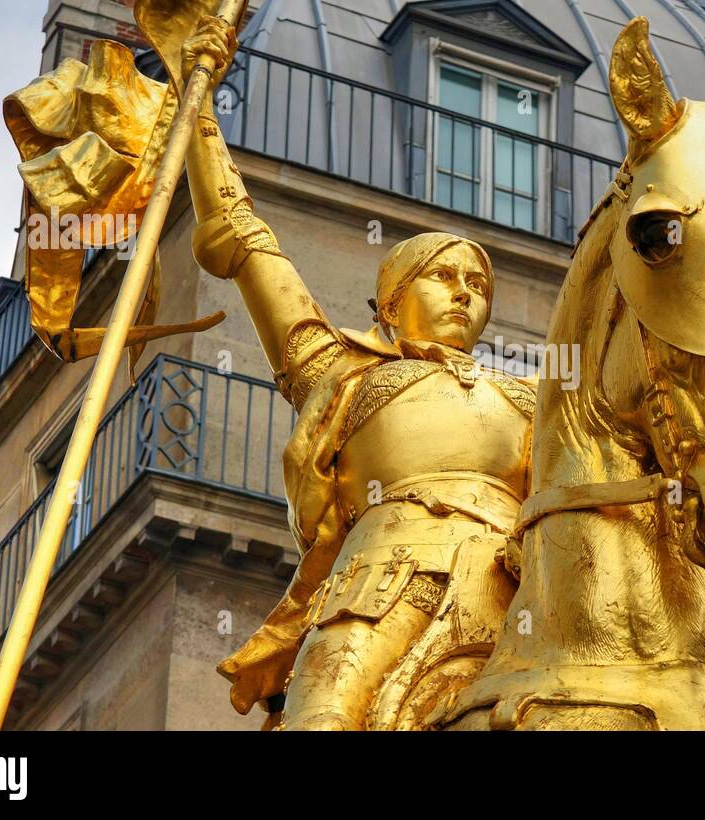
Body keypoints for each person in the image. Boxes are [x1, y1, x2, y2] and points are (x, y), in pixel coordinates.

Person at [181, 16, 532, 730]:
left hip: (519, 592)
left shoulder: (528, 397)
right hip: (382, 585)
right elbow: (242, 240)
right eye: (443, 277)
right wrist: (197, 115)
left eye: (478, 282)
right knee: (324, 717)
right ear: (394, 300)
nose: (466, 292)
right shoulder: (343, 372)